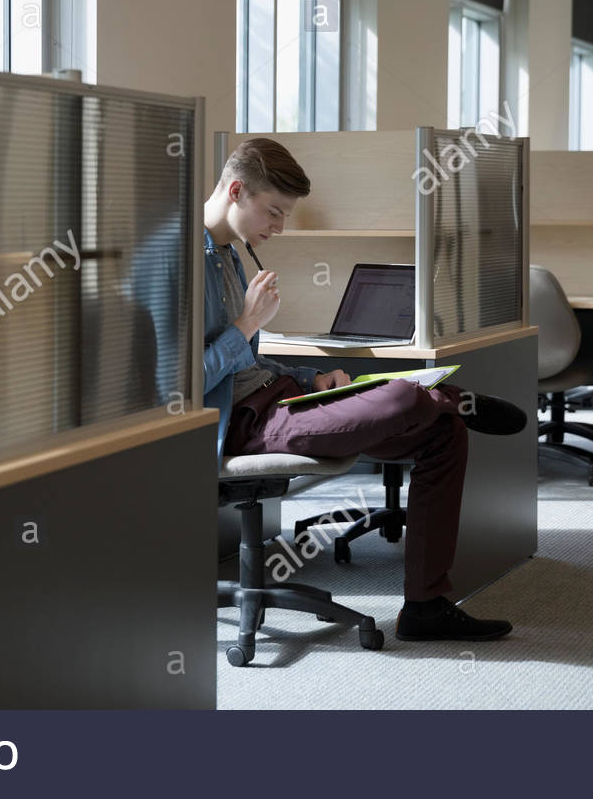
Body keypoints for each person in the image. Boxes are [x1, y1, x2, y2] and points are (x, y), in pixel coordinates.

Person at [197, 138, 525, 642]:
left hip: (279, 397)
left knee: (445, 433)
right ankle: (452, 396)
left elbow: (252, 362)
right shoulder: (180, 258)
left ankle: (426, 608)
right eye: (274, 212)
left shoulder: (230, 255)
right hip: (245, 425)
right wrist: (245, 324)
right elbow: (180, 383)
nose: (279, 228)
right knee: (405, 399)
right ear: (236, 190)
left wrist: (312, 379)